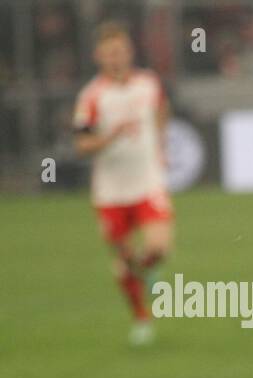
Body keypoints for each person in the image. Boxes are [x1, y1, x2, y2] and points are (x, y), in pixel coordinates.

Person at [73, 21, 173, 347]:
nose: (115, 58)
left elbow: (161, 108)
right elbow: (81, 145)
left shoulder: (148, 83)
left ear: (129, 52)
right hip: (110, 191)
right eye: (109, 53)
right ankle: (142, 319)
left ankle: (146, 271)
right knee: (124, 260)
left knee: (158, 247)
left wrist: (160, 143)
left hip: (147, 182)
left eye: (120, 51)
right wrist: (109, 138)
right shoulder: (92, 96)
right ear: (99, 57)